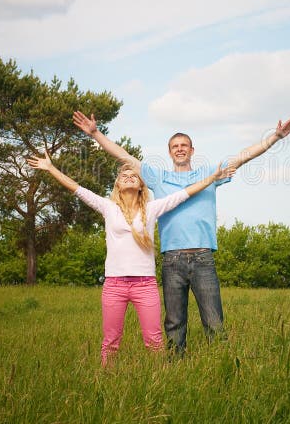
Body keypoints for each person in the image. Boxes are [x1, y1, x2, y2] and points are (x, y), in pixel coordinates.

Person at [73, 111, 290, 354]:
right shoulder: (158, 177)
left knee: (213, 321)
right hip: (172, 260)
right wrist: (95, 134)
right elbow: (123, 155)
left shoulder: (210, 174)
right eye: (175, 146)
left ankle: (220, 364)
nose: (180, 149)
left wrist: (275, 137)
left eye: (184, 145)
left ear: (192, 150)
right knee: (174, 323)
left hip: (203, 257)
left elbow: (244, 155)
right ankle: (174, 366)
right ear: (170, 152)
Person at [27, 151, 234, 365]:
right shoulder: (108, 208)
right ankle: (107, 377)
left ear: (141, 186)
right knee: (110, 342)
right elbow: (77, 189)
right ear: (117, 185)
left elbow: (185, 193)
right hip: (114, 285)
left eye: (133, 175)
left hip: (145, 285)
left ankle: (159, 377)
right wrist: (50, 168)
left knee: (154, 341)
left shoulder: (151, 209)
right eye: (123, 175)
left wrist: (212, 178)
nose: (128, 177)